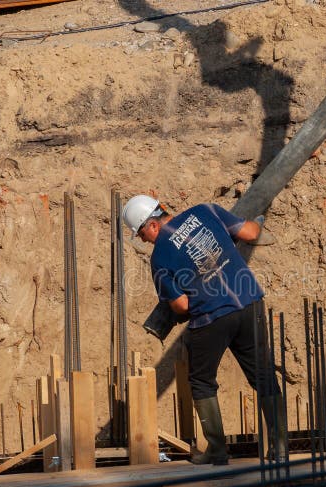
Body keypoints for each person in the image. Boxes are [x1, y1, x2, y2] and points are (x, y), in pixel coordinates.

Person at [122, 195, 284, 465]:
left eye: (140, 234)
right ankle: (280, 448)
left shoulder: (160, 256)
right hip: (248, 302)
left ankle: (218, 451)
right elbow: (251, 232)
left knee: (201, 381)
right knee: (263, 374)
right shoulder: (205, 210)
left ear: (151, 226)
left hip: (211, 318)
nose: (142, 240)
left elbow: (182, 304)